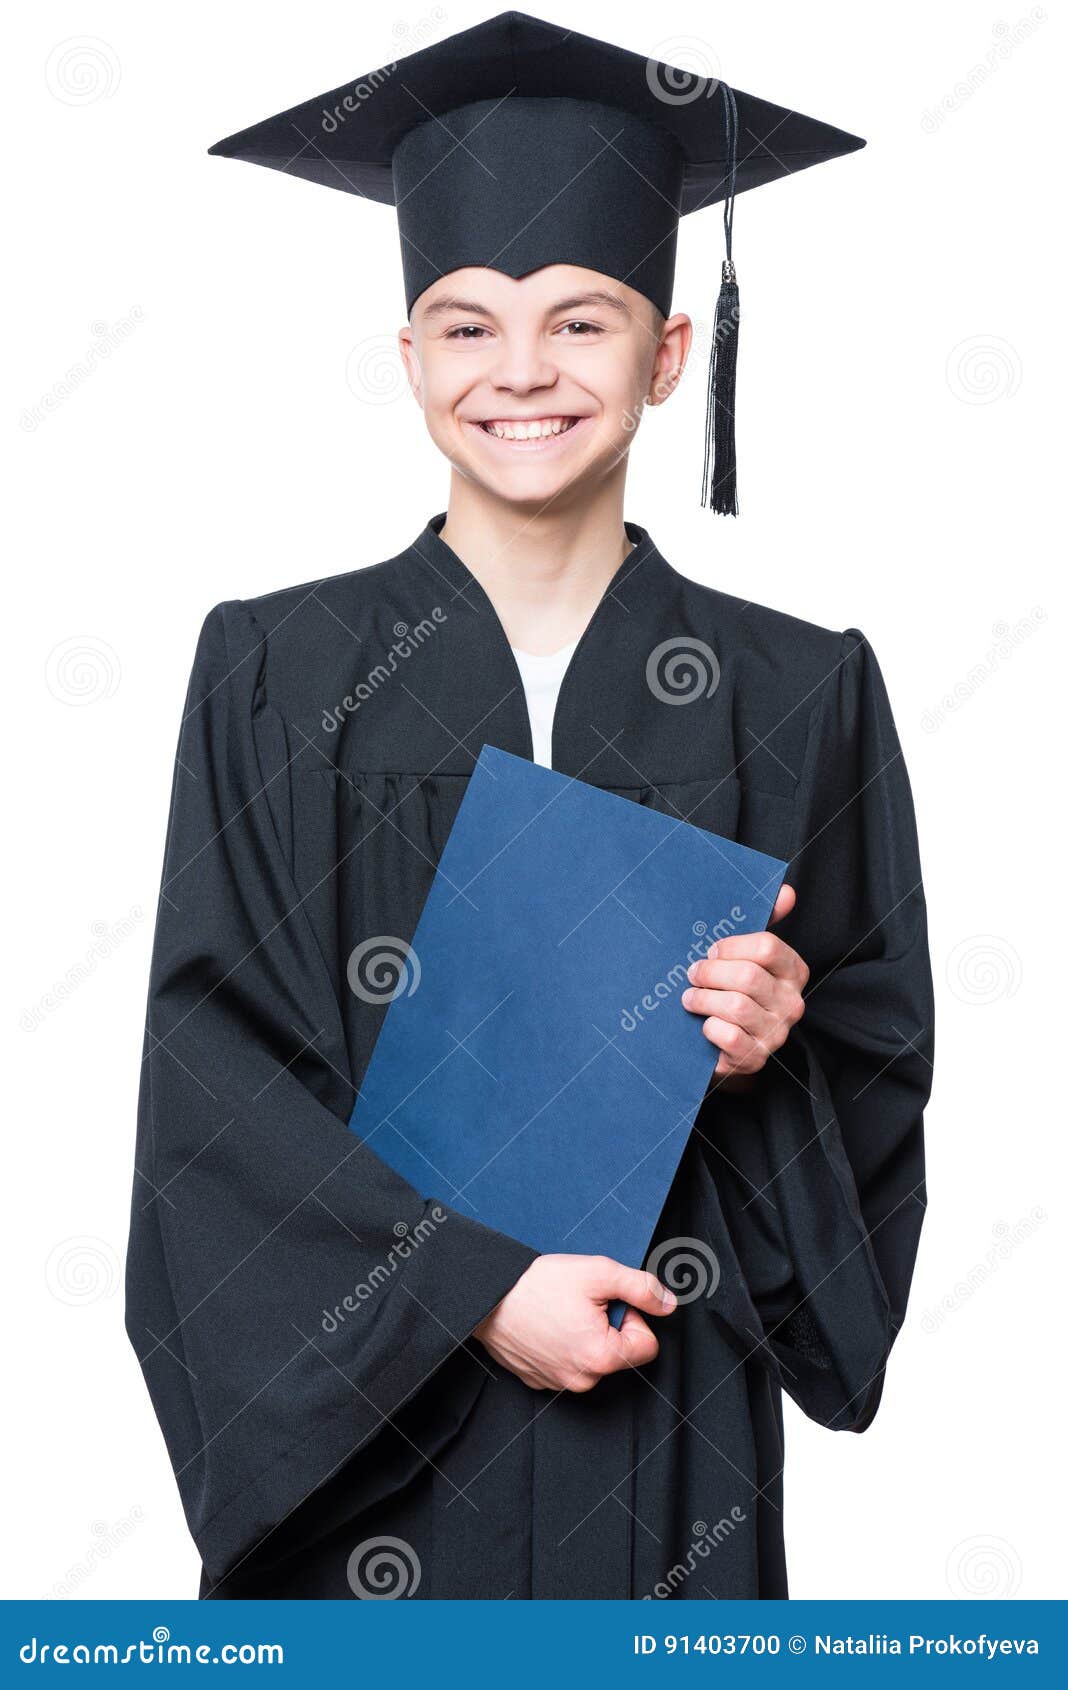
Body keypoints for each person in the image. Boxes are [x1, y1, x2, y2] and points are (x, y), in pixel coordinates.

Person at [126, 12, 933, 1600]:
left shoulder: (804, 688)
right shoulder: (275, 669)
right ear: (411, 353)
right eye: (466, 323)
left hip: (673, 1436)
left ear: (671, 350)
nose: (521, 373)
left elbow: (881, 1082)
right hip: (366, 1478)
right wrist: (471, 1290)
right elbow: (207, 1095)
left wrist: (778, 1045)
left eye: (582, 320)